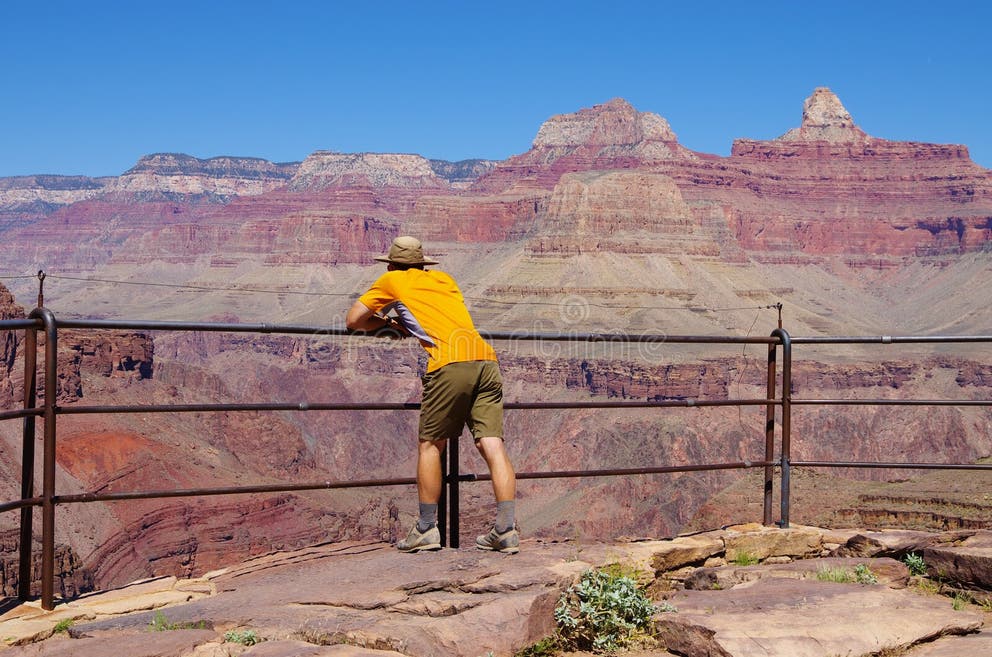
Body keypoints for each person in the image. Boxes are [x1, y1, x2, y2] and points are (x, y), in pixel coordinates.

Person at [346, 236, 519, 554]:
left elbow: (354, 320)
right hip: (486, 360)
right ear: (423, 263)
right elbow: (437, 314)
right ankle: (506, 531)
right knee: (492, 444)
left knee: (430, 446)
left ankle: (426, 529)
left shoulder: (392, 279)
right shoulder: (444, 278)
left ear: (393, 263)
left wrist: (388, 323)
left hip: (450, 363)